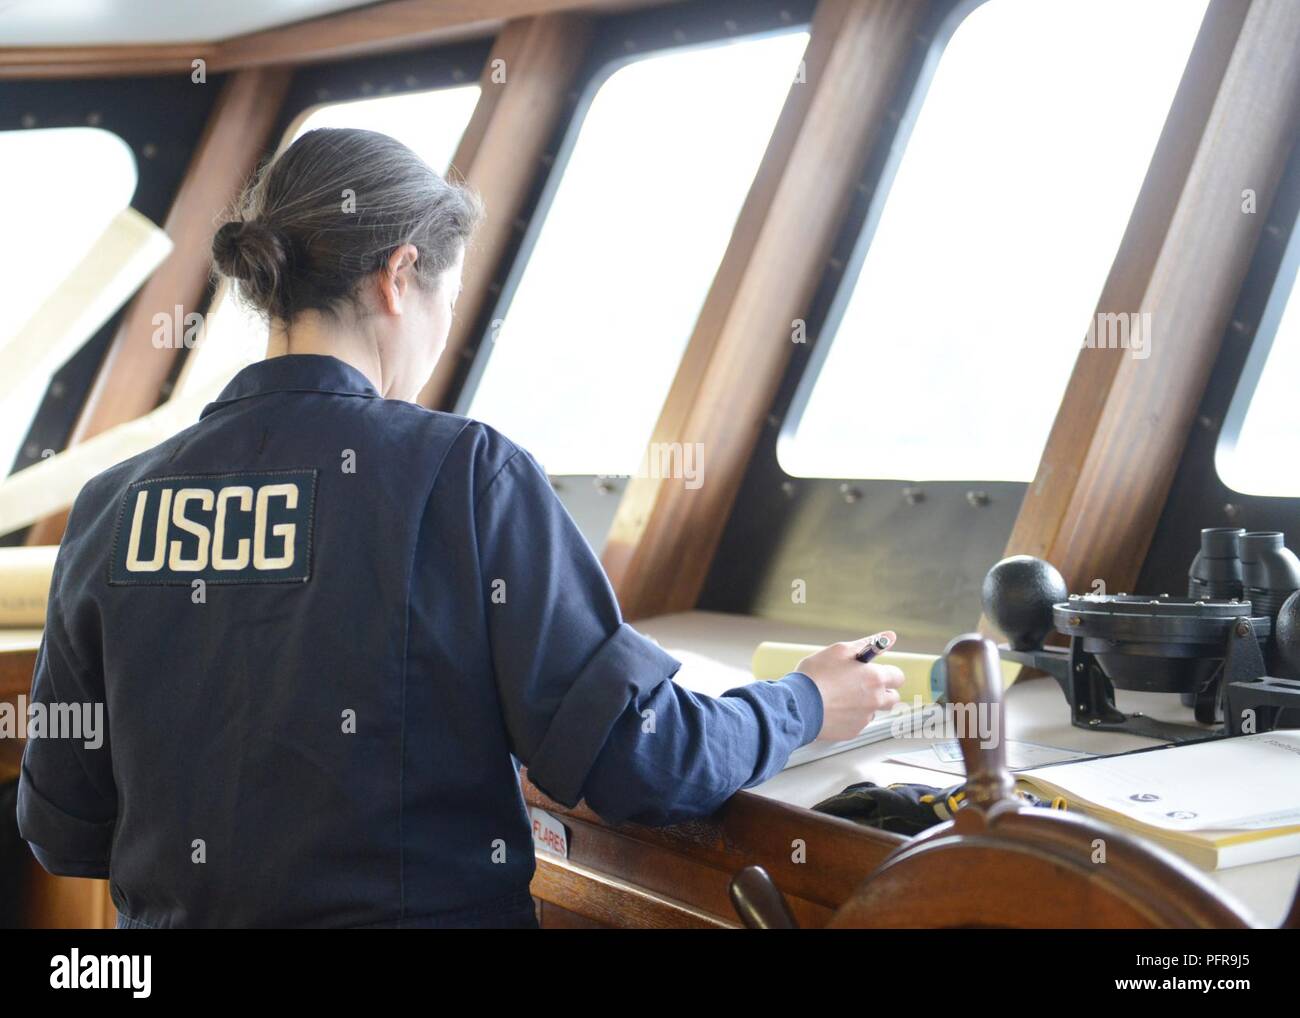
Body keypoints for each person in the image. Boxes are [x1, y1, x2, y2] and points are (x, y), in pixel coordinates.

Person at [17, 128, 904, 928]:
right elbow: (647, 763)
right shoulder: (464, 475)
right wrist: (807, 702)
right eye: (448, 300)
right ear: (400, 278)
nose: (443, 333)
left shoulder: (114, 504)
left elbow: (64, 827)